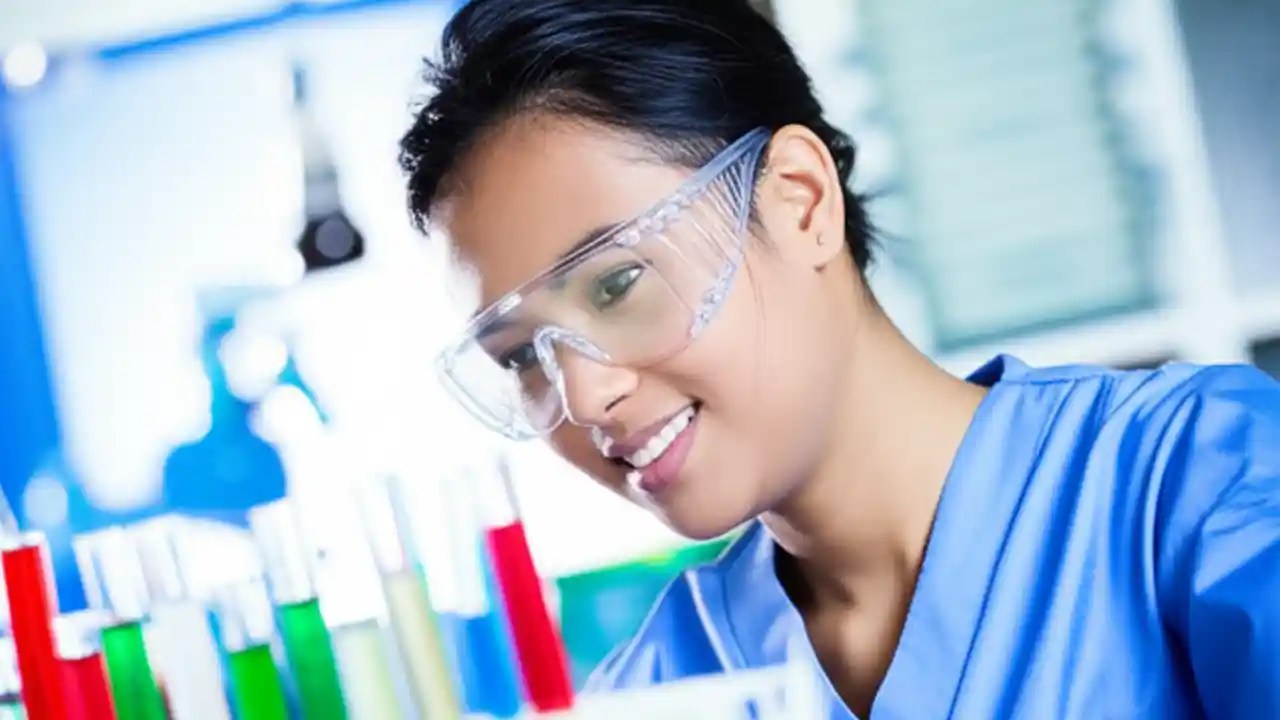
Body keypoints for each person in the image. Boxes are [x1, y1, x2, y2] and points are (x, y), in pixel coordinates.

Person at [398, 1, 1280, 717]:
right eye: (523, 355)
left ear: (800, 201)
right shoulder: (661, 686)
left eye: (618, 283)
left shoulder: (1197, 482)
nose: (584, 394)